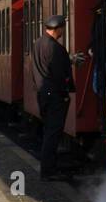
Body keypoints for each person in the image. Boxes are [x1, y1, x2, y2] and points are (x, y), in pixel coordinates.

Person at [30, 14, 74, 181]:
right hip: (55, 94)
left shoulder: (38, 44)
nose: (63, 31)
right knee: (53, 133)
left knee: (49, 131)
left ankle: (49, 168)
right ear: (58, 29)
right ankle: (49, 171)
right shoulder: (56, 48)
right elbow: (58, 74)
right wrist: (65, 91)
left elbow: (34, 69)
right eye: (62, 28)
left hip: (42, 93)